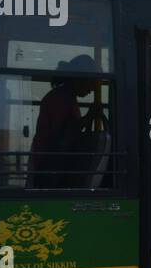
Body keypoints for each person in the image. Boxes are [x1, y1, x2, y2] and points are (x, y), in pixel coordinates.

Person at [29, 53, 101, 189]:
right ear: (81, 79)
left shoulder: (66, 97)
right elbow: (61, 135)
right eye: (91, 83)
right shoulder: (60, 99)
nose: (92, 90)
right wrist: (89, 118)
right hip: (50, 166)